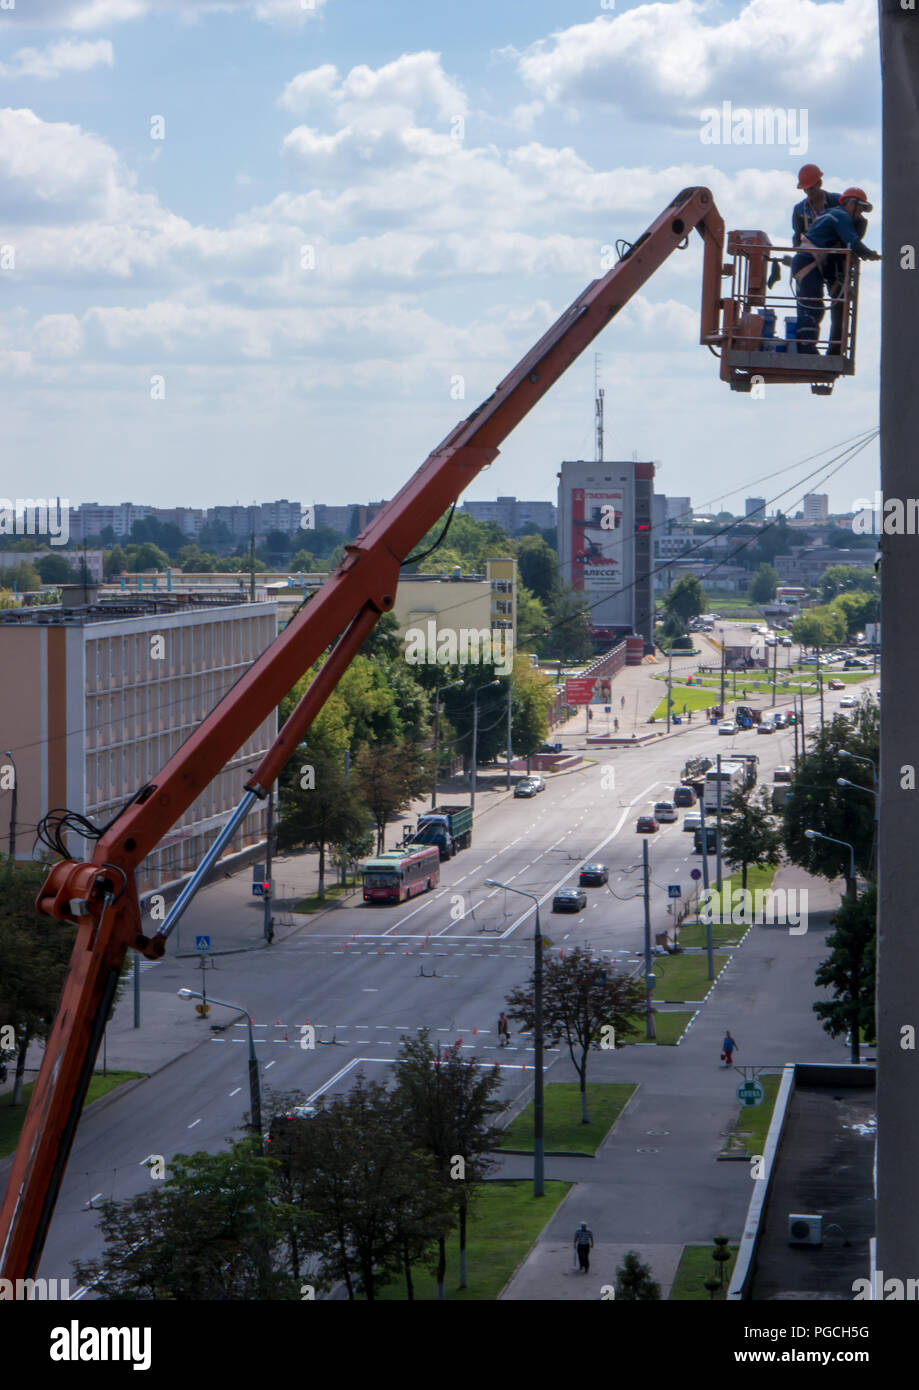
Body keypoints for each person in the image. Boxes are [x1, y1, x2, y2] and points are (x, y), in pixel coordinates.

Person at [791, 188, 880, 354]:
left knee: (814, 304)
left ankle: (808, 347)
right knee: (811, 305)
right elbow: (853, 242)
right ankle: (805, 349)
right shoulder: (841, 217)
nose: (860, 214)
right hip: (808, 263)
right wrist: (869, 254)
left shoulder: (832, 213)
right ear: (851, 203)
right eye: (860, 208)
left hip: (809, 262)